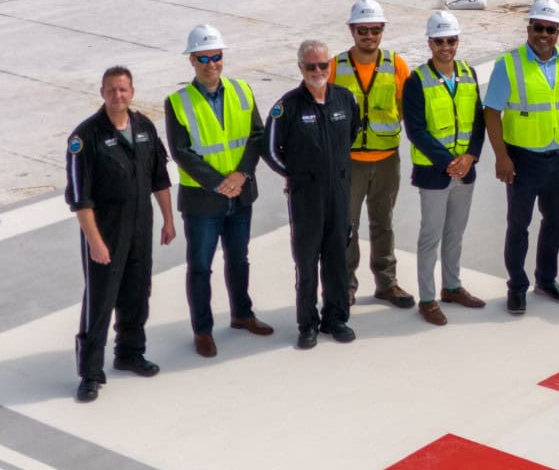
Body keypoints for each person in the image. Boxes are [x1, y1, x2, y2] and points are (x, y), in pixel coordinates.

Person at [66, 66, 176, 402]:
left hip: (141, 226)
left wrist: (168, 220)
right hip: (107, 230)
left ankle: (129, 353)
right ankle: (90, 373)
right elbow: (79, 199)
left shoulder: (143, 127)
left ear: (132, 91)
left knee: (137, 293)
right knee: (99, 301)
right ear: (102, 93)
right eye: (112, 90)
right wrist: (95, 242)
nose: (118, 96)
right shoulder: (85, 137)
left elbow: (159, 178)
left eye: (124, 90)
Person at [164, 24, 272, 359]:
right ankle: (203, 330)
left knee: (239, 259)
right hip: (203, 201)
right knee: (200, 267)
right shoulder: (178, 102)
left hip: (240, 195)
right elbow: (181, 151)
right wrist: (218, 182)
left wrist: (240, 175)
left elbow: (257, 136)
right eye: (204, 58)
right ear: (192, 61)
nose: (212, 64)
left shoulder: (242, 90)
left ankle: (242, 314)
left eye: (217, 57)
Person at [484, 0, 559, 316]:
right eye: (539, 28)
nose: (544, 35)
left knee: (555, 223)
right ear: (529, 28)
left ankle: (546, 280)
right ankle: (516, 286)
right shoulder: (509, 65)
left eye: (551, 29)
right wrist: (502, 157)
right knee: (519, 225)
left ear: (558, 32)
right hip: (522, 160)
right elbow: (491, 113)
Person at [264, 39, 361, 349]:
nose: (318, 70)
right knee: (307, 262)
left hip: (339, 194)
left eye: (323, 65)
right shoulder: (288, 106)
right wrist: (296, 176)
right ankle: (307, 324)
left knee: (337, 258)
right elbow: (269, 149)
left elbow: (354, 133)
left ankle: (336, 318)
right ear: (300, 68)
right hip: (307, 198)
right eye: (311, 66)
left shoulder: (345, 100)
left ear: (330, 65)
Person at [401, 10, 487, 327]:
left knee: (455, 234)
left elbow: (478, 121)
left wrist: (471, 157)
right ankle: (427, 299)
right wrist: (449, 161)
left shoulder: (468, 74)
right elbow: (416, 130)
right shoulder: (416, 81)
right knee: (431, 236)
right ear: (430, 42)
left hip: (465, 171)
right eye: (440, 41)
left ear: (458, 41)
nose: (446, 46)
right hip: (434, 174)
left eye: (451, 40)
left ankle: (451, 287)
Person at [330, 0, 414, 310]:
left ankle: (387, 284)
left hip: (386, 160)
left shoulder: (396, 64)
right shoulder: (335, 67)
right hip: (349, 162)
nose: (369, 36)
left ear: (382, 31)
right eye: (363, 30)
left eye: (375, 30)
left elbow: (406, 108)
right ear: (352, 30)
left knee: (384, 224)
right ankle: (346, 286)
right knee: (346, 227)